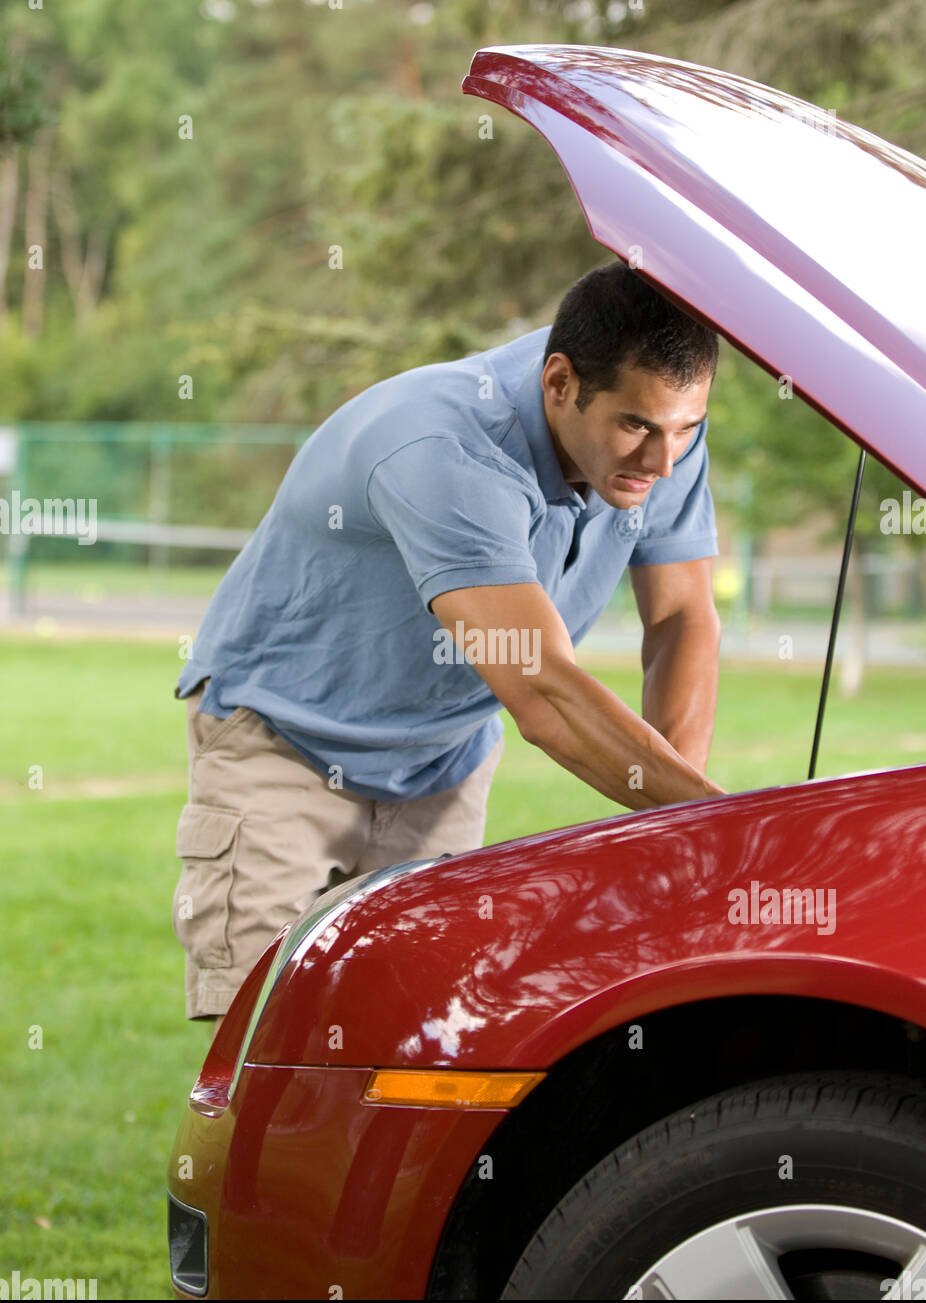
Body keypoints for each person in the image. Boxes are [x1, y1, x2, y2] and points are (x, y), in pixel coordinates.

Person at [172, 259, 726, 1036]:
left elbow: (680, 620)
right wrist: (718, 824)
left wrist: (684, 832)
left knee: (416, 1040)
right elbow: (542, 690)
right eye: (636, 427)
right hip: (284, 743)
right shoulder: (446, 446)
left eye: (686, 430)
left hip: (442, 760)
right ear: (560, 383)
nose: (663, 463)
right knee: (269, 1042)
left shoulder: (659, 426)